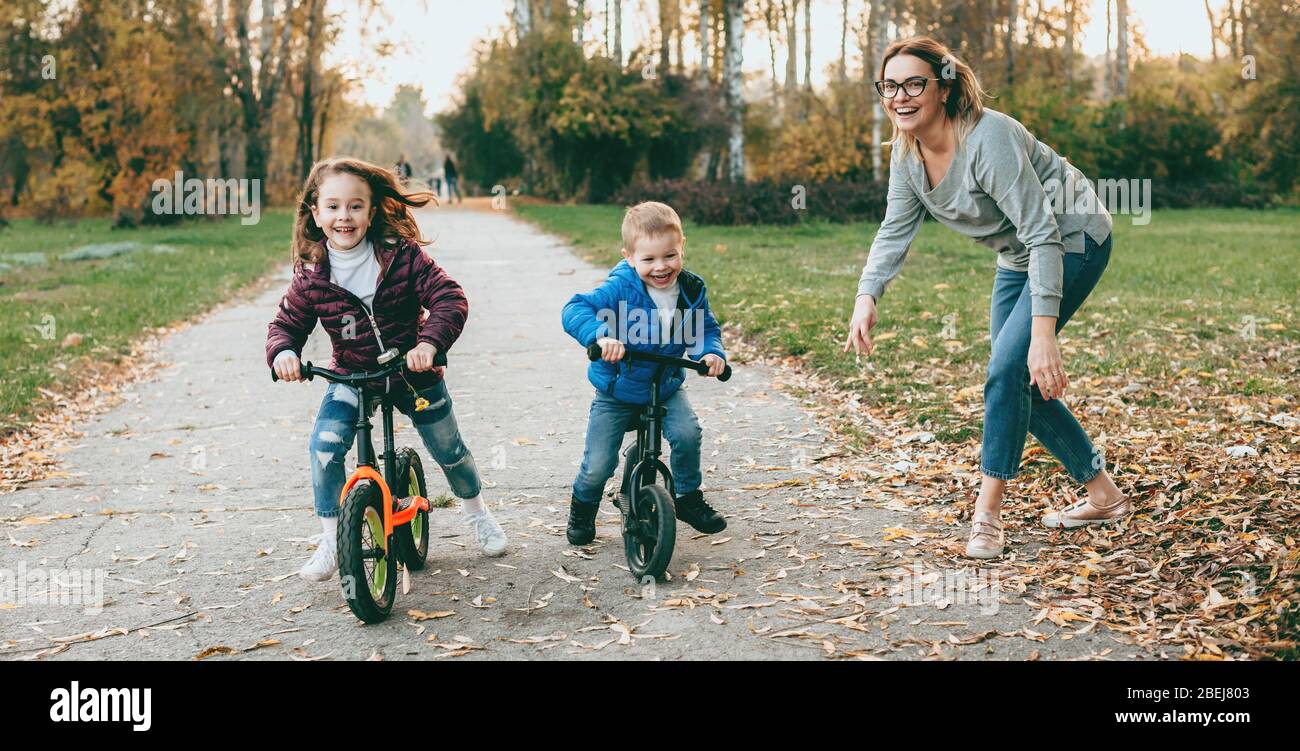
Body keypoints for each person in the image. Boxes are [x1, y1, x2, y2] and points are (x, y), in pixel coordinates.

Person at [844, 37, 1130, 559]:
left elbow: (1043, 231)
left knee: (1007, 370)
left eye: (914, 84)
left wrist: (1043, 334)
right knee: (1013, 378)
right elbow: (894, 229)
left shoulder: (987, 137)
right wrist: (868, 294)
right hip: (1018, 257)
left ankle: (988, 515)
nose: (900, 97)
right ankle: (1103, 495)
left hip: (1073, 239)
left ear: (943, 87)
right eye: (889, 86)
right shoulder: (906, 154)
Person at [267, 156, 507, 581]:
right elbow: (286, 324)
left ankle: (477, 513)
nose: (345, 216)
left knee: (449, 448)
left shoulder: (402, 256)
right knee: (324, 446)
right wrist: (284, 353)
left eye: (356, 206)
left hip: (412, 371)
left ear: (372, 210)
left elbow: (450, 298)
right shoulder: (310, 276)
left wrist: (429, 342)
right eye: (334, 206)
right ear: (316, 212)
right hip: (352, 374)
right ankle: (330, 537)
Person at [561, 201, 729, 545]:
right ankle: (583, 506)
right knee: (598, 465)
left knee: (687, 433)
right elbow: (575, 308)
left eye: (670, 256)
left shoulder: (692, 291)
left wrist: (711, 354)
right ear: (629, 256)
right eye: (648, 259)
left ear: (682, 249)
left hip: (665, 385)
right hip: (617, 389)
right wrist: (600, 335)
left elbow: (704, 329)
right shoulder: (620, 287)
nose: (661, 267)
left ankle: (687, 497)